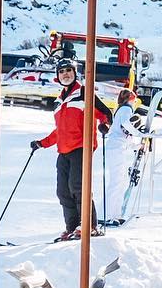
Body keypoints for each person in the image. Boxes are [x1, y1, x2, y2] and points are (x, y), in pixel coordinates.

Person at [30, 58, 112, 240]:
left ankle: (89, 226)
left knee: (78, 185)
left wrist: (105, 124)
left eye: (68, 70)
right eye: (61, 72)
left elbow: (105, 113)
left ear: (75, 73)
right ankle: (72, 227)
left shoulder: (84, 93)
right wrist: (41, 143)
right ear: (57, 76)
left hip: (81, 147)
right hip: (63, 151)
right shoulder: (59, 102)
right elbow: (60, 131)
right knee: (63, 191)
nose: (65, 74)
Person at [103, 88, 143, 223]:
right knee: (116, 182)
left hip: (118, 147)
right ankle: (108, 215)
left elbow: (124, 133)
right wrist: (139, 133)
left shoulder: (122, 109)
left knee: (120, 182)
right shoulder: (126, 109)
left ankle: (115, 214)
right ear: (131, 99)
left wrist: (137, 145)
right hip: (117, 148)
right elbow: (126, 125)